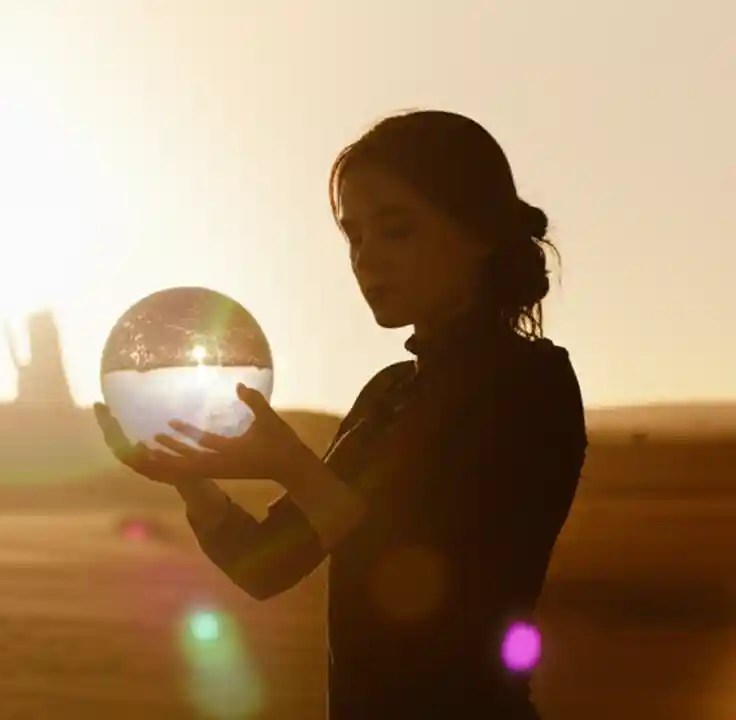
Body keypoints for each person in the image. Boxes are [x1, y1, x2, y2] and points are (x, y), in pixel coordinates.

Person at [94, 109, 588, 719]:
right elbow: (268, 566)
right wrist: (191, 479)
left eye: (396, 230)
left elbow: (425, 597)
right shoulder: (387, 396)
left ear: (477, 231)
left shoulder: (530, 386)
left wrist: (289, 463)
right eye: (353, 236)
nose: (366, 258)